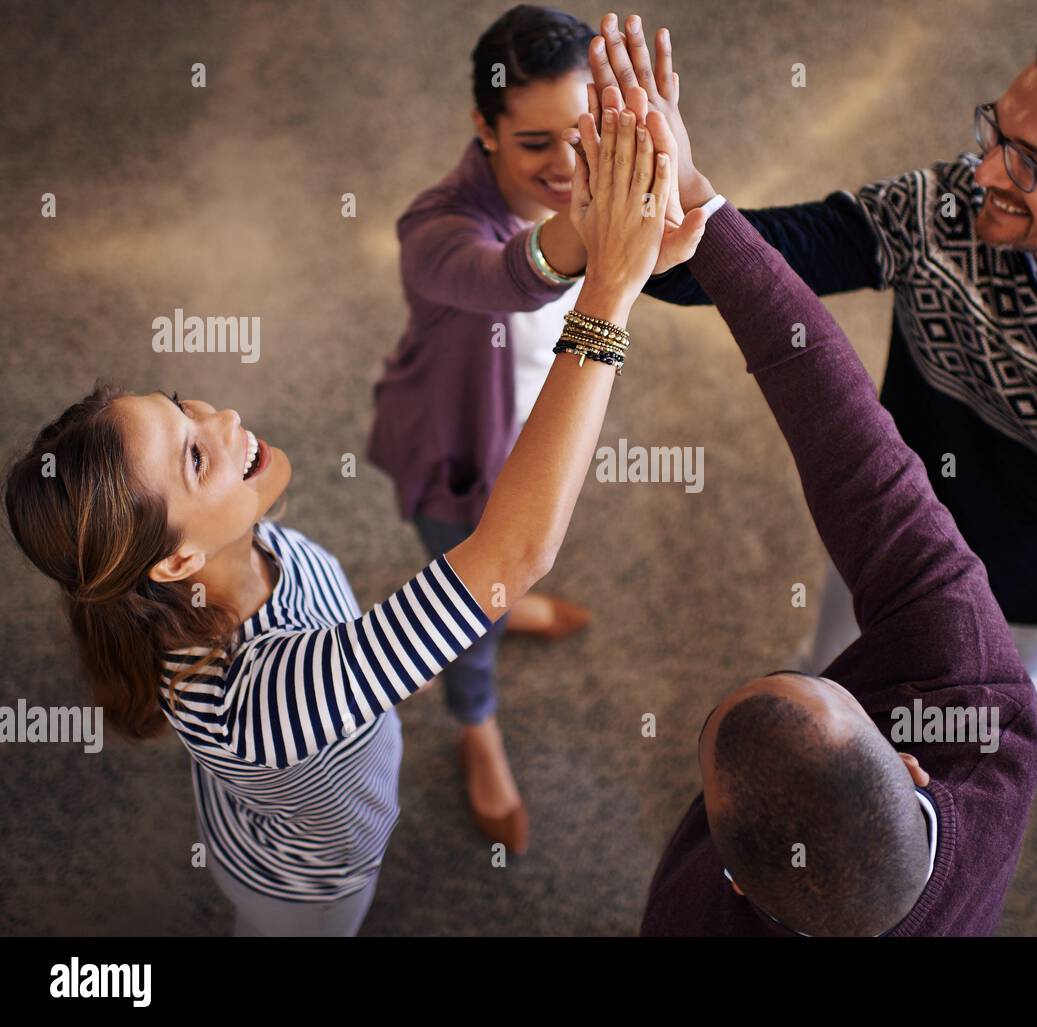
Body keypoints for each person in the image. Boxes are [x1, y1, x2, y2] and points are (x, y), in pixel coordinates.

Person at [4, 93, 700, 936]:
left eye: (185, 408)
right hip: (310, 886)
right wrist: (611, 292)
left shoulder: (220, 553)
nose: (224, 422)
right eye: (194, 457)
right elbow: (511, 554)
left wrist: (594, 240)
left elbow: (467, 581)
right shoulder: (268, 696)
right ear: (176, 562)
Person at [597, 14, 1037, 740]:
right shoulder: (944, 211)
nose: (985, 170)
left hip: (1030, 605)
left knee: (962, 751)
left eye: (1029, 161)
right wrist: (659, 189)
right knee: (830, 703)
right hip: (881, 547)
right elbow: (733, 270)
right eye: (994, 129)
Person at [577, 24, 1037, 936]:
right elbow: (861, 461)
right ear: (911, 765)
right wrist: (705, 210)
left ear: (736, 886)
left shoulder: (687, 920)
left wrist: (600, 303)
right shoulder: (988, 720)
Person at [366, 5, 597, 852]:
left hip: (527, 434)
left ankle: (512, 602)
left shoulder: (579, 181)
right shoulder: (434, 230)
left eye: (584, 134)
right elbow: (513, 274)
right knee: (468, 607)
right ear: (484, 128)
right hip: (454, 464)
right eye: (536, 143)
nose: (567, 167)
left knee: (507, 578)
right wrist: (604, 221)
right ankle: (477, 730)